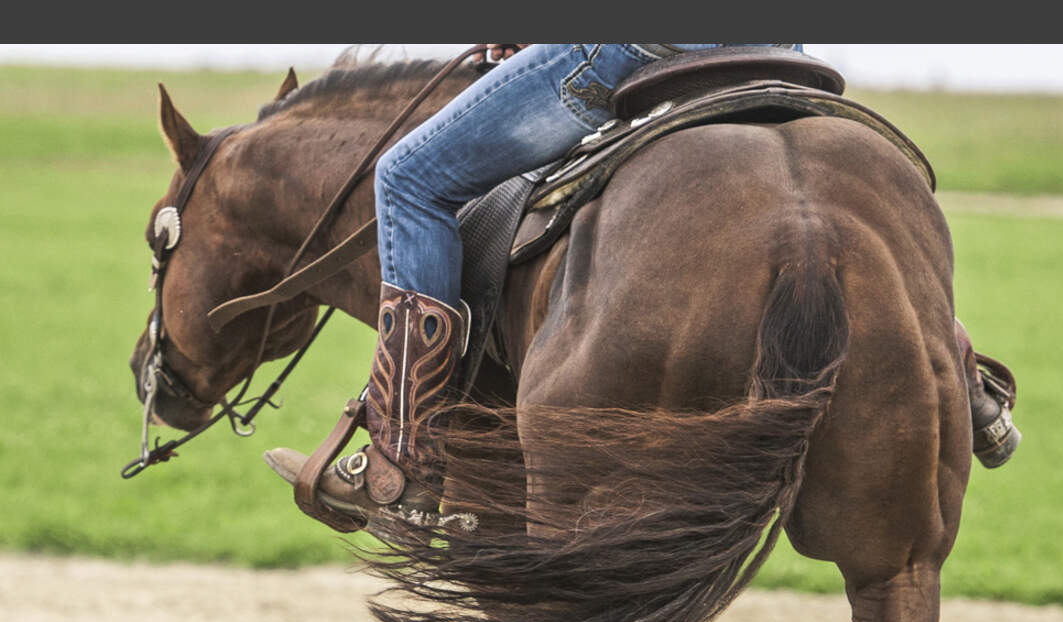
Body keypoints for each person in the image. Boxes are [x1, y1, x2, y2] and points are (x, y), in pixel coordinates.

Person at [268, 42, 1019, 526]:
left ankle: (404, 458)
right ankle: (958, 367)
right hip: (774, 48)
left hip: (629, 48)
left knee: (408, 178)